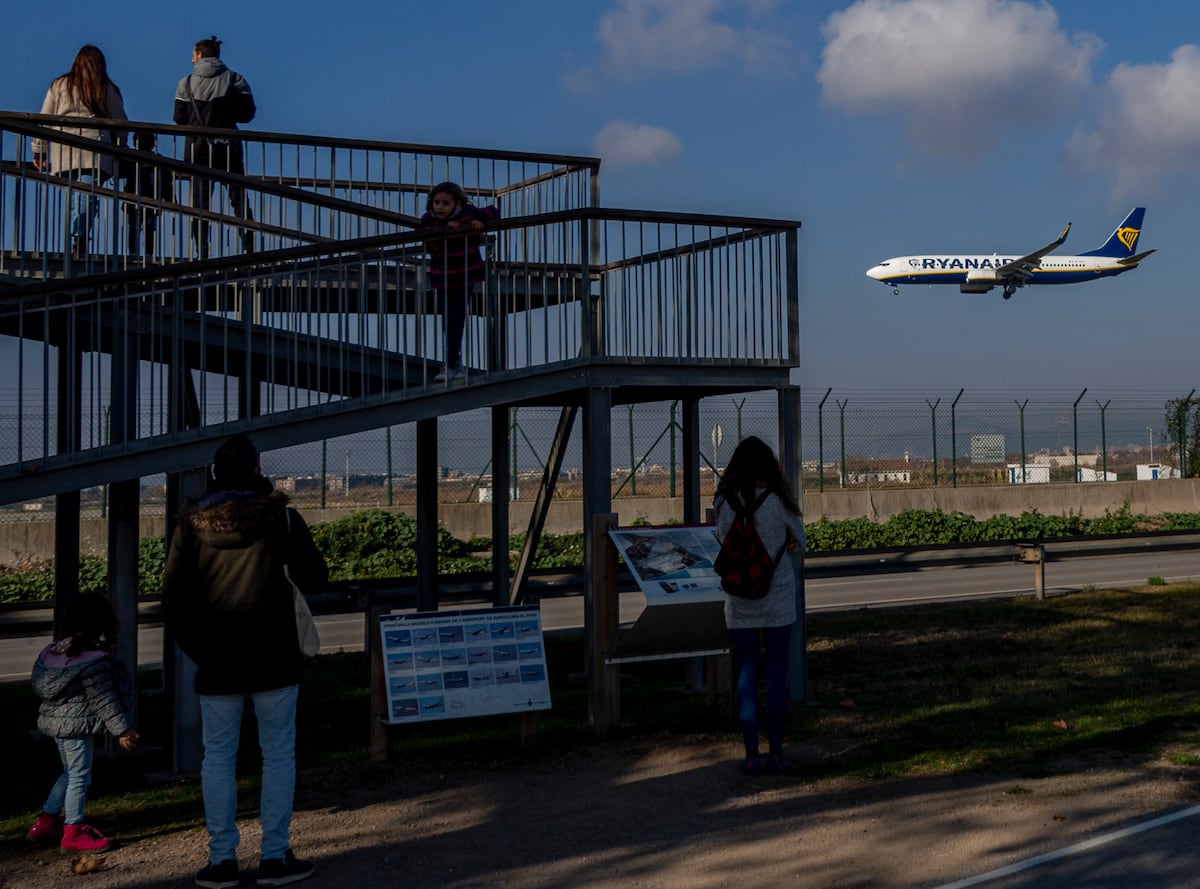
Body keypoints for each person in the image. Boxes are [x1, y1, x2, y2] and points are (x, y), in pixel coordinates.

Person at [163, 433, 327, 889]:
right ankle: (274, 857)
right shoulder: (283, 521)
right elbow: (315, 578)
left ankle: (222, 862)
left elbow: (173, 600)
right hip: (275, 656)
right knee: (278, 755)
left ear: (214, 475)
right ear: (257, 471)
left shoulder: (189, 528)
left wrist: (200, 650)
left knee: (217, 758)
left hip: (217, 661)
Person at [713, 435, 806, 776]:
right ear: (769, 464)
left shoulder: (724, 501)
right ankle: (777, 753)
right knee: (776, 672)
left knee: (748, 674)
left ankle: (751, 754)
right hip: (777, 595)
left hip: (738, 601)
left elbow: (722, 540)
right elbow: (800, 541)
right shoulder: (776, 500)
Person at [28, 592, 140, 853]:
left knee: (69, 773)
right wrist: (122, 729)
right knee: (80, 776)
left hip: (58, 725)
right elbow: (104, 700)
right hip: (76, 728)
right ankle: (73, 832)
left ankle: (46, 821)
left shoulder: (54, 651)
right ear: (102, 622)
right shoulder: (91, 660)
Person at [32, 45, 129, 258]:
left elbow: (43, 120)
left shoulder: (59, 85)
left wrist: (39, 151)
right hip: (96, 151)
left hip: (63, 151)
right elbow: (121, 123)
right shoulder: (105, 87)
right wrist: (121, 149)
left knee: (74, 197)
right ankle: (79, 239)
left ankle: (76, 239)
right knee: (87, 195)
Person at [173, 36, 256, 259]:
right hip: (228, 147)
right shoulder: (235, 79)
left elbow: (178, 117)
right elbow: (248, 114)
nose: (191, 59)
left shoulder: (185, 83)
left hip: (198, 149)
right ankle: (248, 247)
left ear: (200, 55)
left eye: (193, 54)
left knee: (199, 204)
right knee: (238, 199)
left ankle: (203, 251)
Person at [418, 182, 499, 383]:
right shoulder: (428, 220)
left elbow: (493, 211)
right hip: (443, 275)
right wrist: (445, 228)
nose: (440, 207)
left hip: (465, 274)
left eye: (445, 203)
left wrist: (475, 222)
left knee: (457, 318)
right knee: (448, 320)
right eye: (437, 203)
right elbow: (432, 245)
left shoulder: (467, 212)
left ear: (456, 204)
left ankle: (451, 364)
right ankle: (455, 363)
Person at [120, 131, 171, 258]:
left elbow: (120, 171)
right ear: (153, 144)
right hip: (152, 200)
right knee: (149, 229)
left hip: (133, 200)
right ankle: (148, 254)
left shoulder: (129, 158)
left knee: (134, 228)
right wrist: (171, 200)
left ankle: (133, 254)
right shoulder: (159, 160)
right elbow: (167, 183)